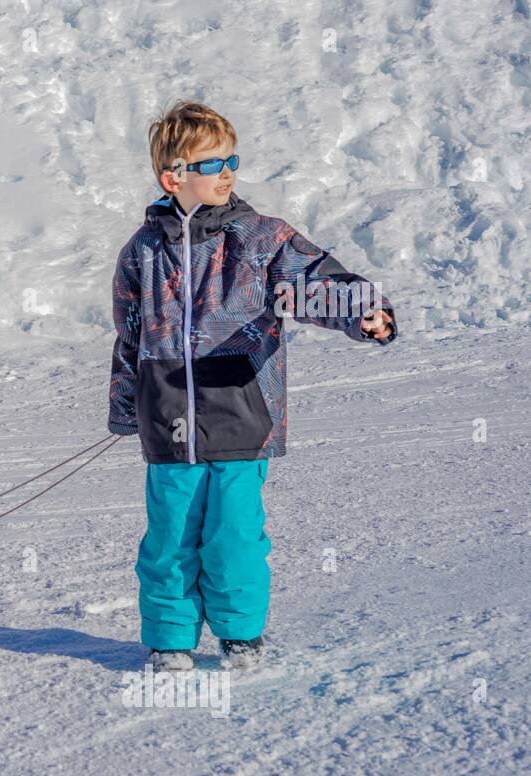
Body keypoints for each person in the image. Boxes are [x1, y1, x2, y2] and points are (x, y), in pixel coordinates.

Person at [108, 100, 397, 671]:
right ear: (174, 177)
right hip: (169, 419)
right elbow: (129, 337)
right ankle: (169, 639)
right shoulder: (142, 253)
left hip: (244, 413)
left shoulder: (259, 239)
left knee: (234, 535)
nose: (229, 172)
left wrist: (361, 309)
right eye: (214, 163)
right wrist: (126, 408)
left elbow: (311, 283)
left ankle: (241, 634)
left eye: (232, 160)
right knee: (168, 540)